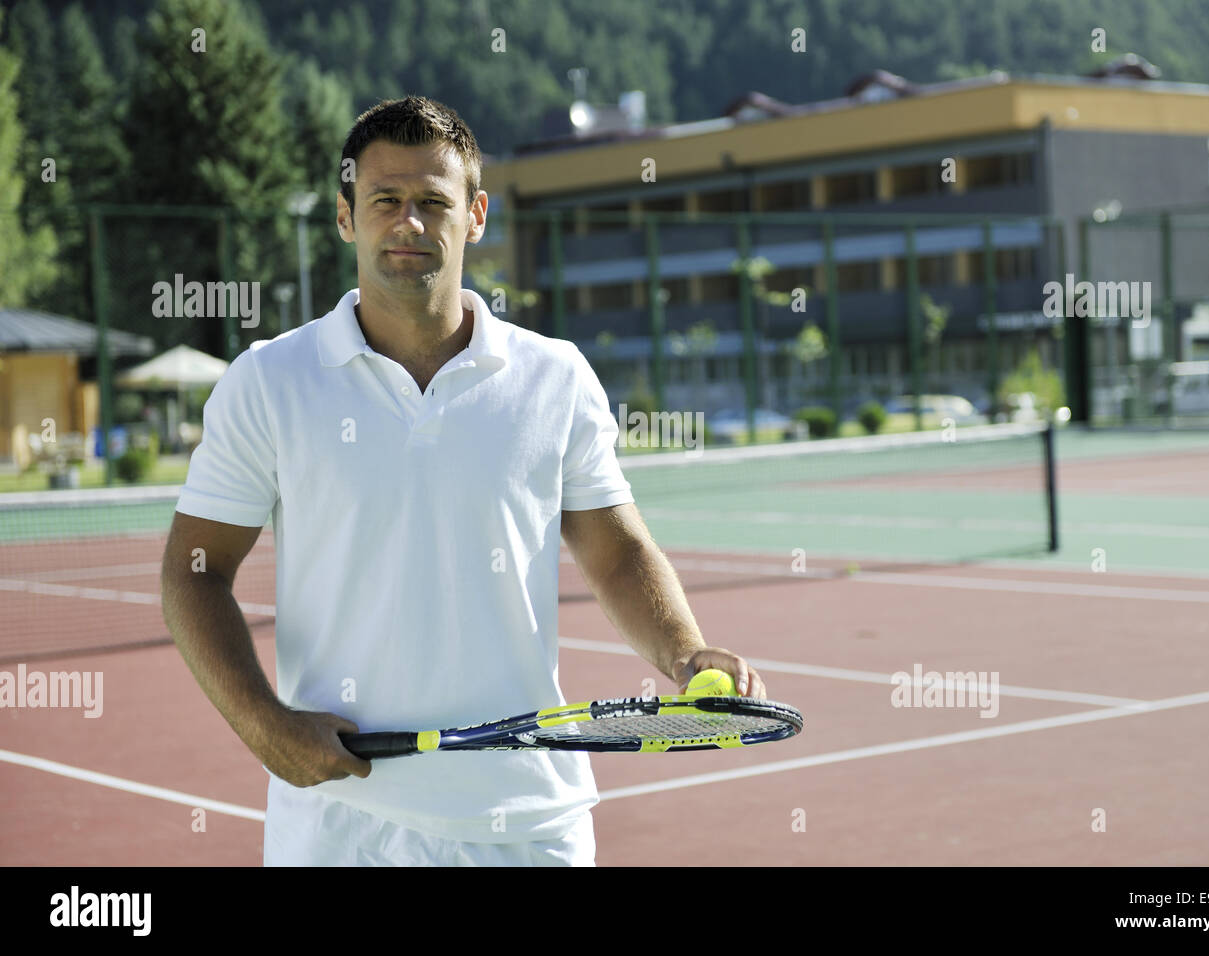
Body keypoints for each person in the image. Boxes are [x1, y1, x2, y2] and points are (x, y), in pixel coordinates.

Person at [160, 95, 768, 867]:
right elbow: (194, 570)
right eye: (384, 200)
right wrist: (263, 724)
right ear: (346, 218)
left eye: (433, 202)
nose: (408, 224)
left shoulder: (556, 376)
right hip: (339, 827)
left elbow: (617, 554)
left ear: (475, 215)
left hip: (525, 824)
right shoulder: (268, 382)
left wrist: (686, 652)